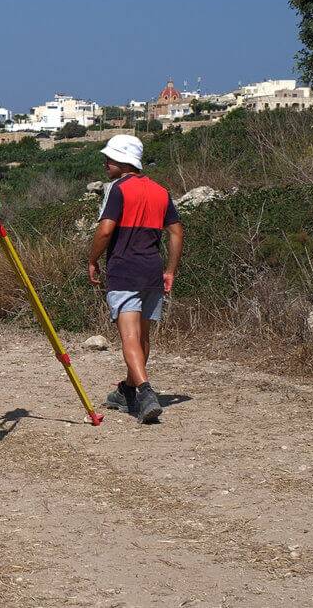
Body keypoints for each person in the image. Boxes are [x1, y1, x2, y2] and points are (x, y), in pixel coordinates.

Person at [87, 134, 184, 424]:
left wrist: (92, 259)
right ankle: (128, 389)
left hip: (124, 270)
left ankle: (144, 391)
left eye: (110, 158)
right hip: (152, 271)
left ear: (123, 160)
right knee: (143, 336)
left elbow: (106, 230)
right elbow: (177, 231)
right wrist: (170, 270)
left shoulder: (118, 189)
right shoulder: (160, 191)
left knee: (129, 337)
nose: (105, 163)